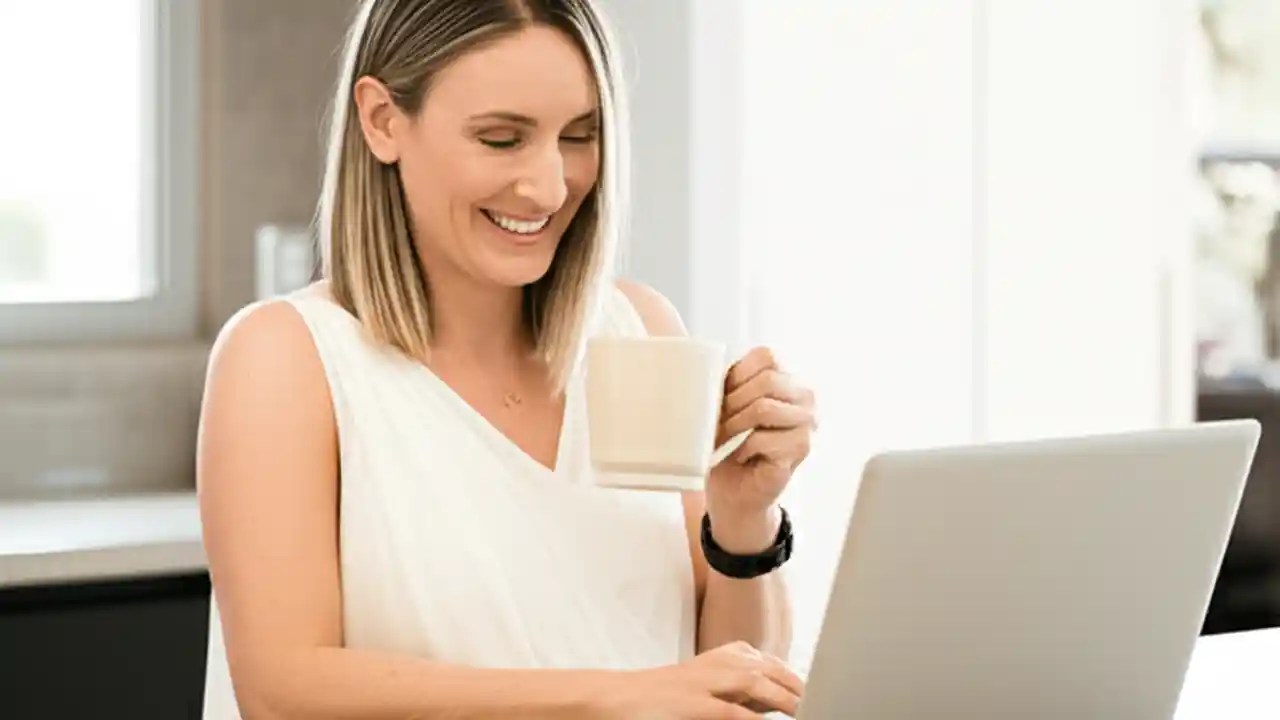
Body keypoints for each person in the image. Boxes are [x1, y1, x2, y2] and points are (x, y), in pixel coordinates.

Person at [197, 0, 818, 716]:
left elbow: (740, 682)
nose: (550, 187)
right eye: (500, 139)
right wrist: (606, 701)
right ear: (382, 121)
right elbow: (284, 688)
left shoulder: (639, 329)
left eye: (580, 136)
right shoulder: (286, 358)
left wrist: (744, 522)